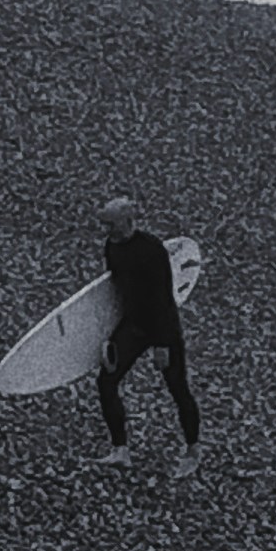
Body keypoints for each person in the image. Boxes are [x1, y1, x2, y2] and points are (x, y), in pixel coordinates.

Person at [92, 195, 200, 463]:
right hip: (133, 325)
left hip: (162, 326)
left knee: (176, 387)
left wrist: (162, 344)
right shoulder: (112, 246)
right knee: (106, 382)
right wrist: (108, 333)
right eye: (104, 224)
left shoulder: (151, 249)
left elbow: (163, 298)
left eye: (111, 224)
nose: (106, 230)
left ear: (127, 221)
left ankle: (193, 450)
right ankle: (121, 450)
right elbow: (116, 293)